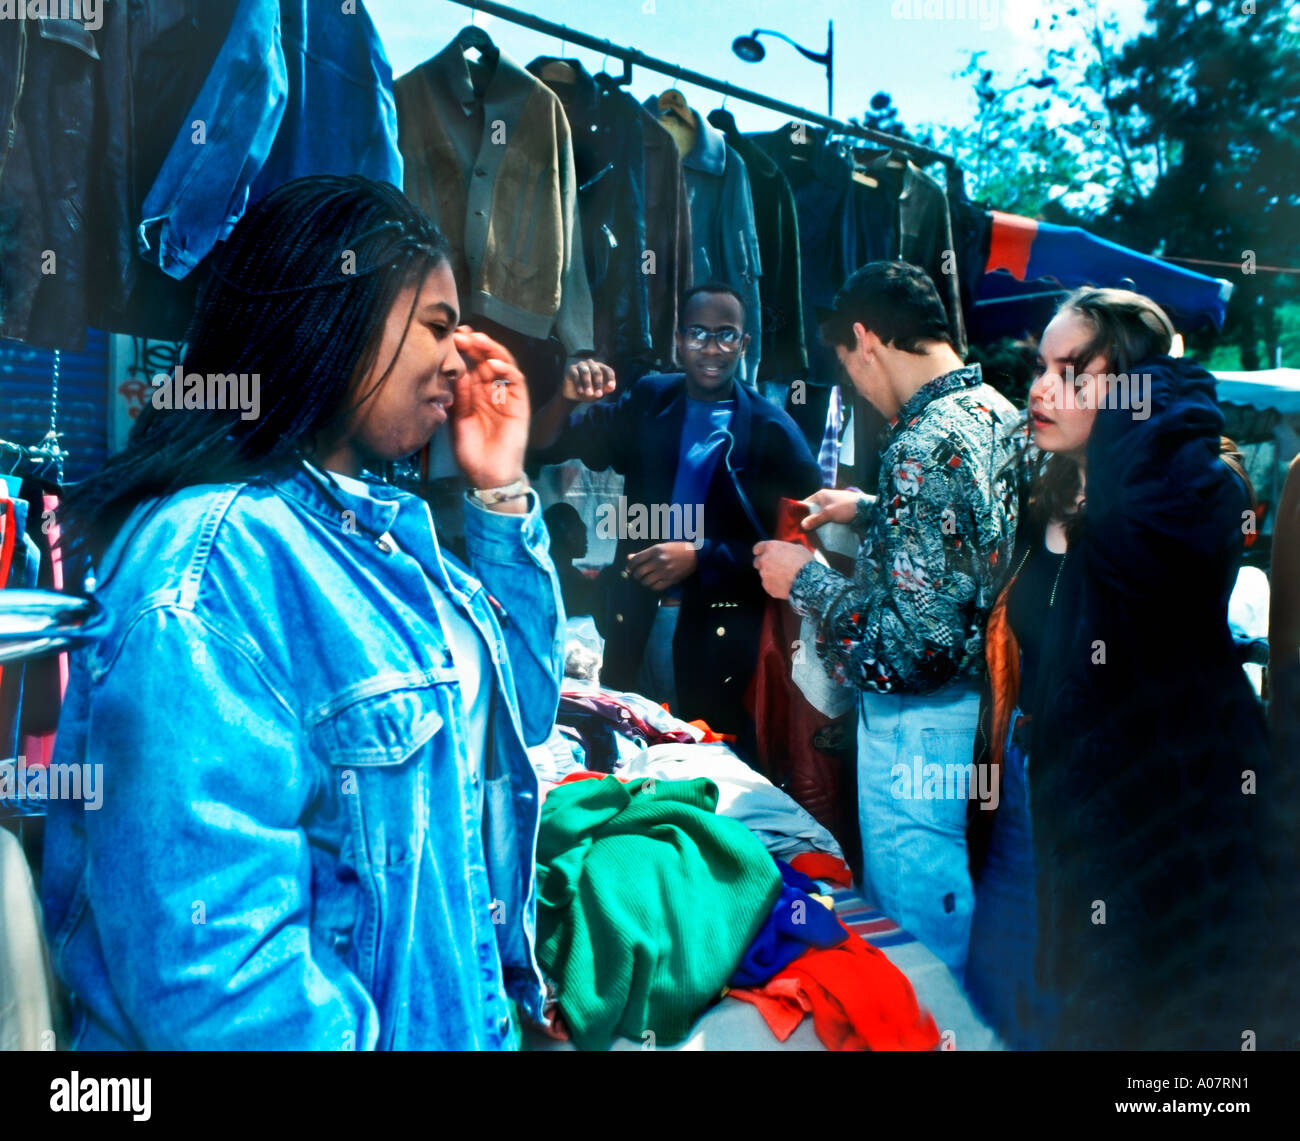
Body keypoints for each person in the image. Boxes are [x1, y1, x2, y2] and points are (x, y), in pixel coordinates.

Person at [45, 175, 564, 1050]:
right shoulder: (210, 569)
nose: (459, 359)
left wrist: (501, 490)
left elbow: (524, 713)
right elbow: (218, 986)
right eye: (437, 325)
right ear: (339, 312)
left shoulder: (373, 529)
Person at [974, 286, 1279, 1050]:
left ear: (1134, 384)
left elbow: (1148, 528)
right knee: (1018, 998)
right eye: (1040, 367)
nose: (1041, 388)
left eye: (1071, 370)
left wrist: (1157, 384)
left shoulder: (1187, 489)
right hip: (1039, 783)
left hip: (1154, 823)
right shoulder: (1055, 476)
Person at [753, 261, 1021, 979]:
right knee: (949, 903)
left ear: (865, 338)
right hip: (978, 713)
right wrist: (872, 509)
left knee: (918, 942)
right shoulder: (998, 411)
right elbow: (969, 541)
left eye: (847, 370)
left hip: (918, 726)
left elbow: (907, 649)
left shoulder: (922, 439)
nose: (856, 392)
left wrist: (802, 579)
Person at [530, 282, 821, 755]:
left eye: (726, 334)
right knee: (625, 756)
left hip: (718, 638)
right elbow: (545, 445)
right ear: (678, 341)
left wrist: (702, 557)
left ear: (745, 344)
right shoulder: (650, 401)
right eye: (697, 333)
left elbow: (804, 546)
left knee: (705, 761)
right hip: (634, 622)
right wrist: (564, 398)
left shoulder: (771, 431)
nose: (711, 347)